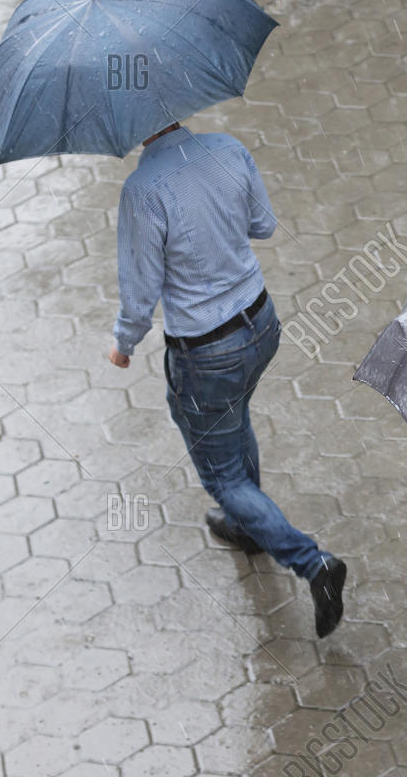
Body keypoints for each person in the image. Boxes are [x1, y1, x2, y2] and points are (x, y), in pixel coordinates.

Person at [108, 122, 347, 638]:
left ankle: (314, 564)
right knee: (232, 417)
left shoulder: (142, 190)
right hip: (260, 324)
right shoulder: (226, 147)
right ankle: (247, 527)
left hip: (205, 352)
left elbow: (141, 289)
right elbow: (262, 224)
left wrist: (123, 345)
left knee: (223, 477)